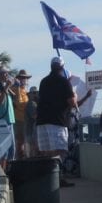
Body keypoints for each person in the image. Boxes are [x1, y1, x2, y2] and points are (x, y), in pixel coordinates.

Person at [36, 56, 77, 186]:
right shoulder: (64, 82)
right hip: (57, 122)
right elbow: (72, 103)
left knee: (47, 153)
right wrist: (75, 95)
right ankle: (57, 179)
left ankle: (48, 179)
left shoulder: (43, 81)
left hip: (42, 121)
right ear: (62, 67)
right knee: (60, 151)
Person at [11, 70, 32, 158]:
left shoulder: (25, 91)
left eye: (26, 78)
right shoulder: (15, 89)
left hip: (25, 119)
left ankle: (23, 159)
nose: (24, 80)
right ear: (18, 78)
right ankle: (19, 160)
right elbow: (19, 103)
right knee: (20, 142)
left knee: (24, 142)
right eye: (22, 78)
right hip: (18, 120)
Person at [24, 86, 39, 157]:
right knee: (32, 154)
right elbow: (35, 116)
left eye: (36, 93)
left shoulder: (34, 103)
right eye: (33, 93)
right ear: (29, 94)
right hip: (30, 132)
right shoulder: (31, 103)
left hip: (30, 132)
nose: (35, 94)